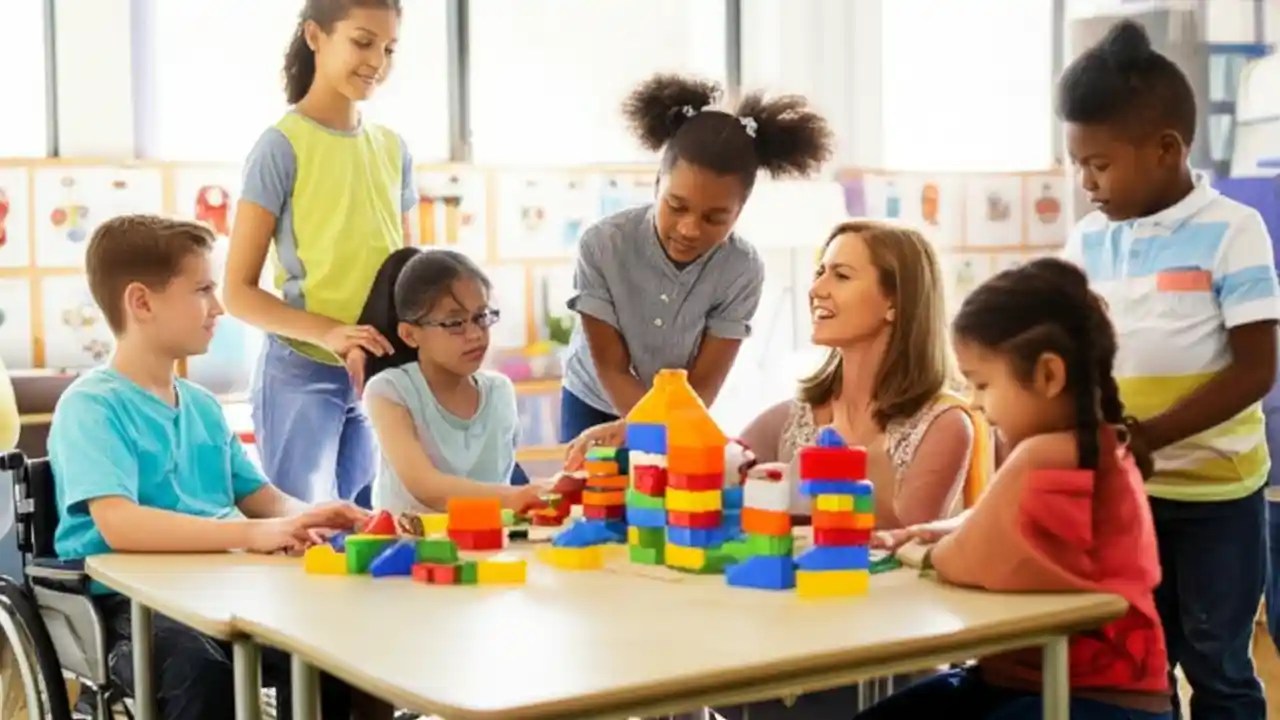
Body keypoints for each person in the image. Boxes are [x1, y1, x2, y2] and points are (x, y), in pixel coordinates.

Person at [47, 215, 370, 720]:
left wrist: (309, 515)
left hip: (218, 584)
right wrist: (251, 536)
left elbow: (261, 497)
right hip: (129, 607)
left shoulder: (200, 405)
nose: (219, 307)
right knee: (202, 677)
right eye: (202, 290)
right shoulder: (91, 406)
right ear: (141, 302)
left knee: (330, 654)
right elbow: (119, 523)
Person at [1059, 19, 1278, 719]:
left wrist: (1151, 433)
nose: (1086, 182)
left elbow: (1256, 369)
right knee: (1139, 662)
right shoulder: (1086, 241)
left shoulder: (1235, 229)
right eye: (1078, 165)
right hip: (1129, 495)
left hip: (1218, 498)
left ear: (1166, 149)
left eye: (1099, 164)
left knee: (1216, 661)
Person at [861, 258, 1170, 720]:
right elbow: (998, 526)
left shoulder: (1043, 455)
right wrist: (934, 531)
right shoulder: (1099, 449)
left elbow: (974, 556)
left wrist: (929, 550)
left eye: (982, 384)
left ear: (1048, 376)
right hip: (1027, 683)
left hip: (1092, 701)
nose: (974, 403)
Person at [569, 221, 990, 532]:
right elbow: (714, 467)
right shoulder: (791, 416)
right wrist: (636, 433)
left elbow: (907, 543)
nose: (817, 289)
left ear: (895, 304)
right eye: (819, 272)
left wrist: (832, 482)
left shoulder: (943, 425)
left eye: (841, 276)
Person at [559, 74, 834, 442]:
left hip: (681, 407)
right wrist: (652, 431)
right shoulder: (603, 245)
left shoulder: (741, 270)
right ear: (658, 184)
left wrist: (664, 431)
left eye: (714, 218)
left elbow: (703, 383)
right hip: (593, 399)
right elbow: (612, 367)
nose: (689, 229)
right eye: (676, 206)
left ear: (740, 211)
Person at [224, 0, 416, 507]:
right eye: (361, 41)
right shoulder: (280, 147)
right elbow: (237, 293)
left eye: (389, 48)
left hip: (381, 371)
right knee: (303, 533)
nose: (377, 60)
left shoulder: (394, 149)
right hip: (302, 369)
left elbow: (412, 276)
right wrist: (331, 334)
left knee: (379, 528)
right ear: (314, 35)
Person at [359, 247, 547, 514]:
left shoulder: (500, 390)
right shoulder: (389, 391)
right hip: (408, 547)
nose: (474, 334)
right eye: (455, 323)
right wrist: (515, 497)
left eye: (481, 317)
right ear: (410, 334)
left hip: (488, 543)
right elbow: (426, 487)